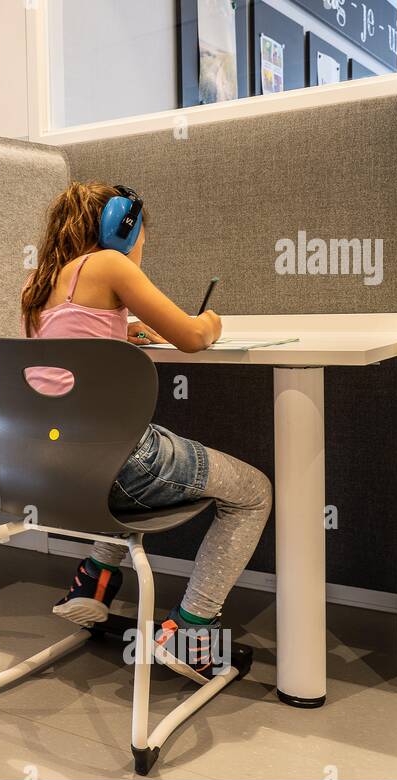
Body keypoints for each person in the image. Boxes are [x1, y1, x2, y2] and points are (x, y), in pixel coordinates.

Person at [21, 182, 272, 680]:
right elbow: (193, 338)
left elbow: (75, 347)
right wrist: (211, 320)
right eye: (141, 234)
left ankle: (93, 581)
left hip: (48, 466)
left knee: (113, 456)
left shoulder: (37, 284)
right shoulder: (110, 265)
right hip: (119, 467)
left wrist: (123, 331)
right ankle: (192, 630)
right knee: (254, 492)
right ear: (122, 228)